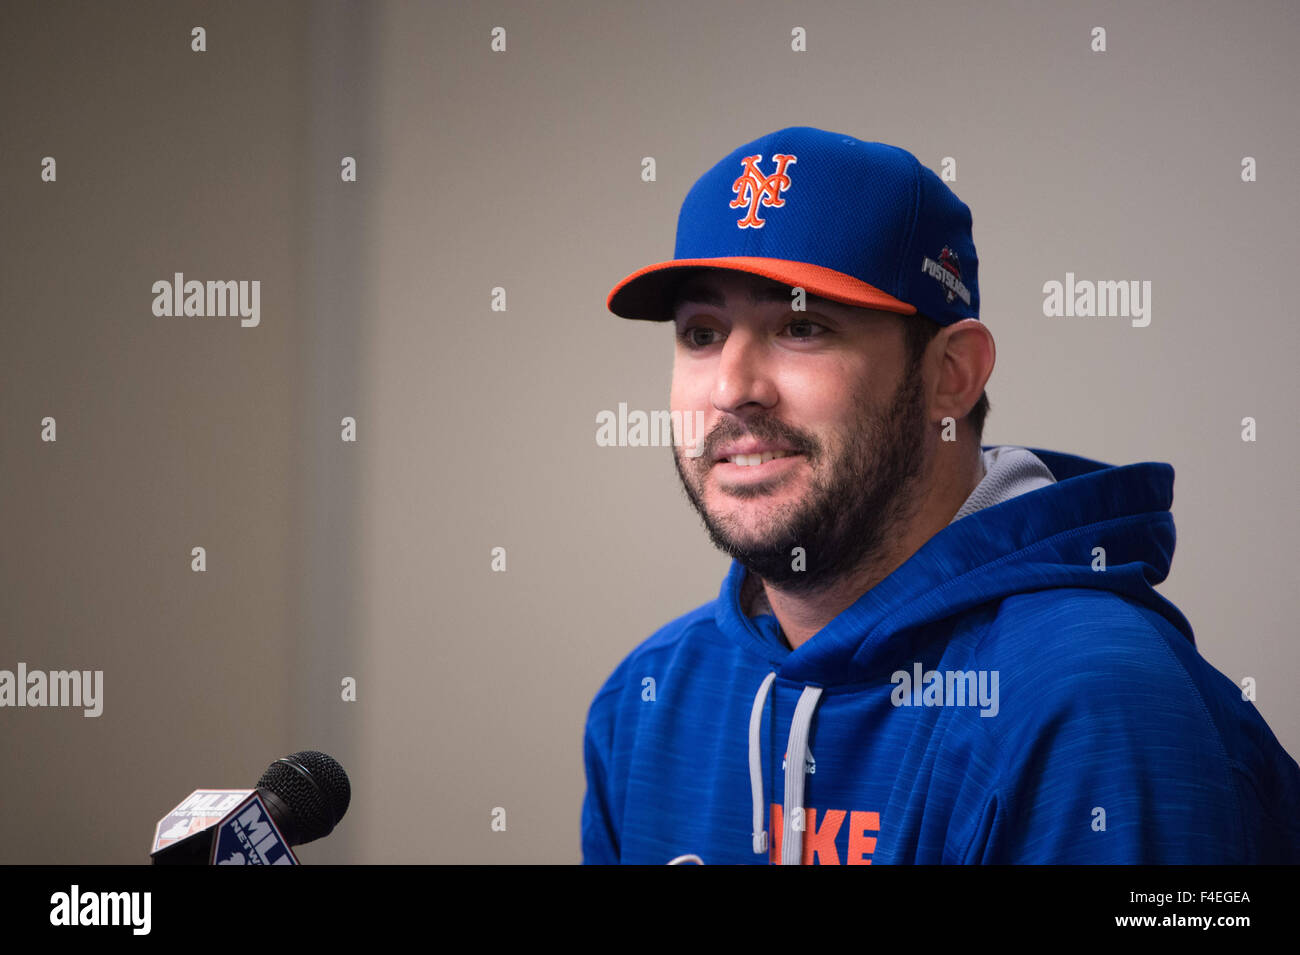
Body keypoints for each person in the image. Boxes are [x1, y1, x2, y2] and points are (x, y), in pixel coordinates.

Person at [580, 126, 1300, 864]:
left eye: (800, 326)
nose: (732, 388)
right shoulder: (647, 701)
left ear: (952, 374)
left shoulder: (1097, 704)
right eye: (702, 334)